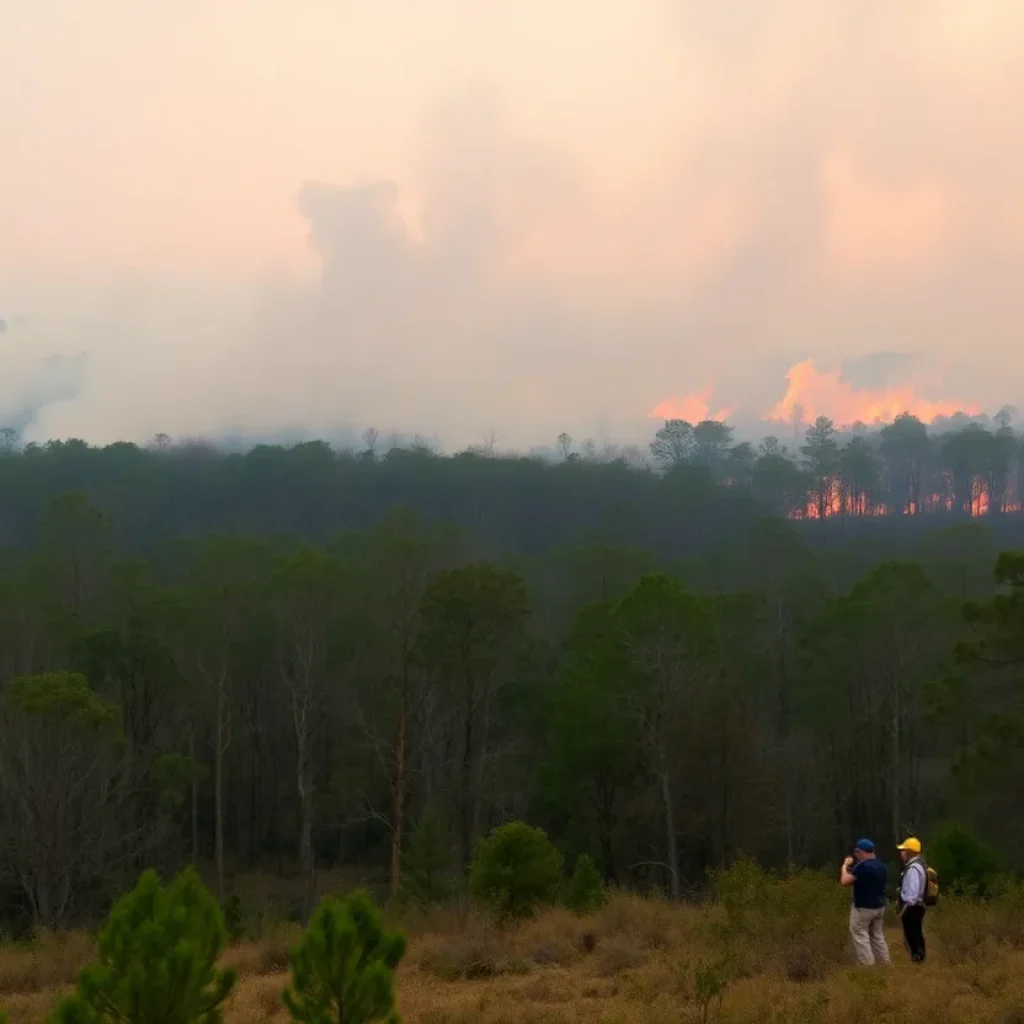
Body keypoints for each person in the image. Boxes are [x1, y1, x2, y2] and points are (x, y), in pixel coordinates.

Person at [840, 838, 891, 966]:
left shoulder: (862, 867)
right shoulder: (882, 866)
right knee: (877, 936)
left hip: (863, 907)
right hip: (880, 907)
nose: (857, 856)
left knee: (859, 934)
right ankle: (885, 963)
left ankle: (868, 966)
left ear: (860, 852)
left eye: (857, 853)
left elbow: (844, 881)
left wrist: (845, 866)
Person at [897, 836, 927, 963]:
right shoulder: (920, 865)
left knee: (912, 934)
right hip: (917, 906)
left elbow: (913, 891)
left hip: (912, 906)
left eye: (904, 850)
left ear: (910, 852)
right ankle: (919, 958)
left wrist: (906, 905)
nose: (901, 853)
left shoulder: (913, 868)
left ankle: (917, 958)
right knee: (917, 933)